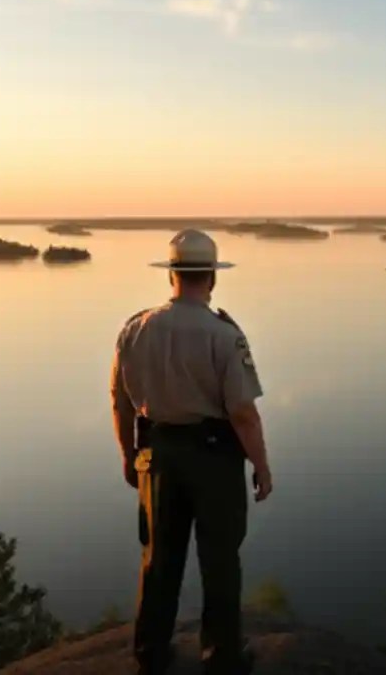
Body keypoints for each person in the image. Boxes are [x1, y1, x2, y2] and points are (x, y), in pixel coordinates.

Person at [110, 229, 272, 675]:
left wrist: (129, 455)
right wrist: (261, 465)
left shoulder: (136, 328)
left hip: (157, 456)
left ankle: (151, 654)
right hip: (215, 458)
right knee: (219, 560)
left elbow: (119, 400)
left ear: (173, 276)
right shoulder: (223, 335)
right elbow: (242, 413)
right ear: (212, 278)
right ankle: (221, 658)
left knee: (158, 559)